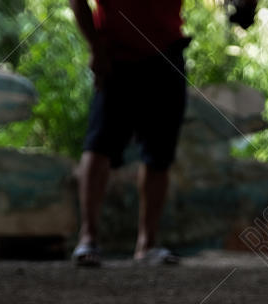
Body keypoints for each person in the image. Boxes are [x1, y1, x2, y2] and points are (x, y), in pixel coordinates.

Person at [68, 0, 254, 267]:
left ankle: (147, 244)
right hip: (115, 56)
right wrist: (96, 47)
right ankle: (88, 238)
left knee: (159, 154)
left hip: (166, 56)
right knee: (99, 145)